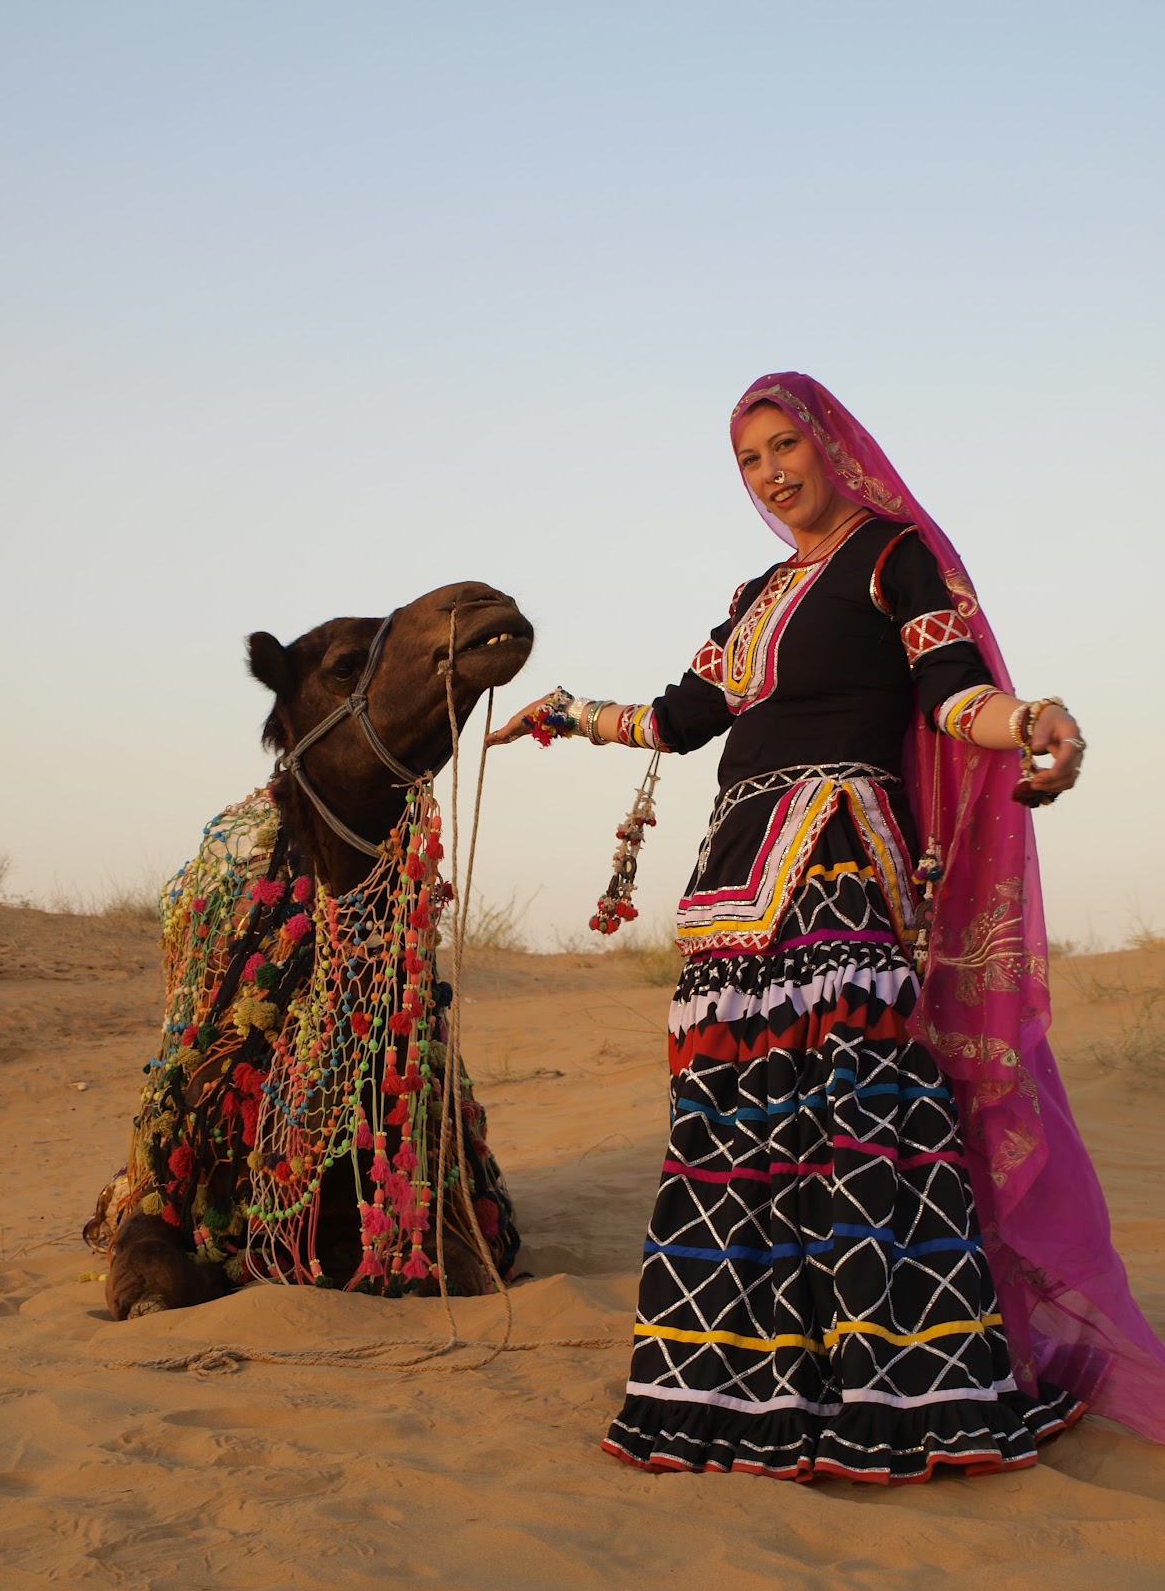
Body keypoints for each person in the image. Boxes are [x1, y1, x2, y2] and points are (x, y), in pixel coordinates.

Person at [487, 373, 1165, 1482]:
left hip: (840, 860)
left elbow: (953, 694)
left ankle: (900, 1391)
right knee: (738, 1118)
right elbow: (679, 716)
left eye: (782, 445)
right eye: (749, 459)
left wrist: (1033, 718)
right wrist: (565, 713)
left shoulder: (895, 556)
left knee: (852, 1117)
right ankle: (741, 1384)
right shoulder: (757, 593)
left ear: (828, 443)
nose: (769, 473)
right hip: (732, 882)